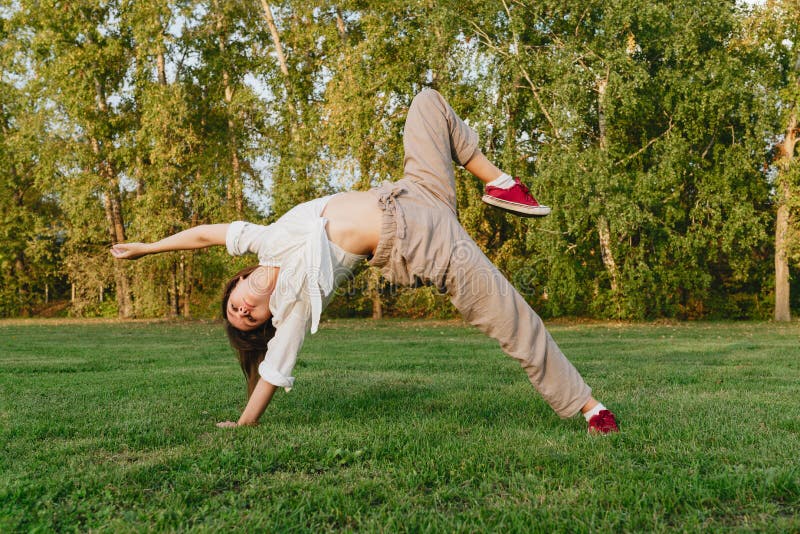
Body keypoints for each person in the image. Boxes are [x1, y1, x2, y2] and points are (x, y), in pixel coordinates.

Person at [111, 89, 619, 434]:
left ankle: (499, 182)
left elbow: (204, 233)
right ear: (265, 319)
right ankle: (586, 405)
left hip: (413, 192)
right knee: (513, 318)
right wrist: (244, 423)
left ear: (240, 283)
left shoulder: (262, 240)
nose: (244, 311)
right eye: (248, 319)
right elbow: (272, 370)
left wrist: (147, 247)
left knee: (427, 102)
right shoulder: (294, 307)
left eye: (236, 306)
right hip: (419, 243)